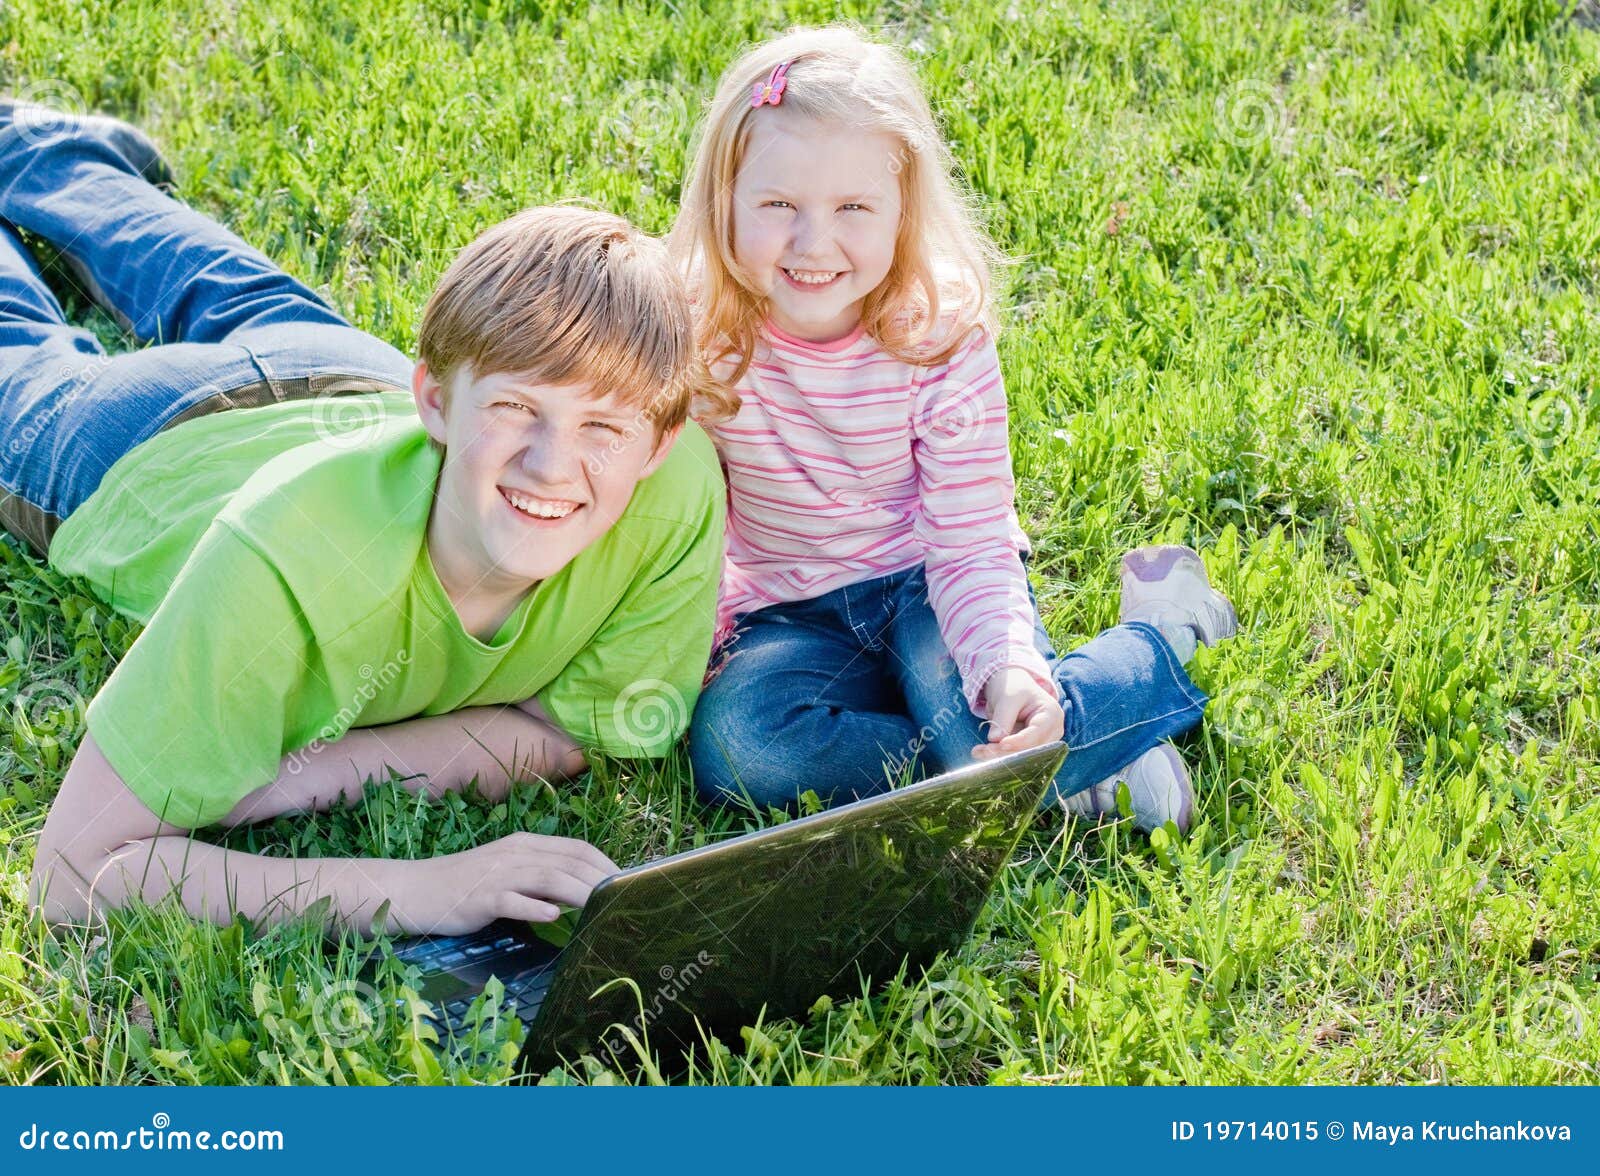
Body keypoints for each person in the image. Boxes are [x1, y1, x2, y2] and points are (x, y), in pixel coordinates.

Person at [3, 101, 728, 935]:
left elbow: (568, 733)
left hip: (346, 383)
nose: (552, 465)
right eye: (518, 408)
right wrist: (425, 890)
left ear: (661, 442)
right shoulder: (284, 557)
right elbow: (70, 872)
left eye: (601, 426)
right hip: (147, 447)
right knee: (18, 349)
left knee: (202, 274)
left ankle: (41, 148)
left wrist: (303, 774)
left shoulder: (675, 493)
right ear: (440, 402)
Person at [670, 28, 1237, 832]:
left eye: (853, 209)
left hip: (928, 585)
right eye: (777, 205)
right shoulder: (697, 332)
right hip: (787, 614)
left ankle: (1156, 637)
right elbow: (668, 512)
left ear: (905, 211)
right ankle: (1062, 756)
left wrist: (1009, 675)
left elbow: (969, 543)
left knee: (990, 711)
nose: (813, 243)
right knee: (740, 751)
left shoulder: (936, 337)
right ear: (722, 198)